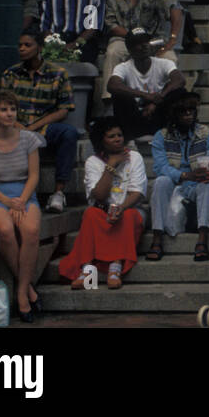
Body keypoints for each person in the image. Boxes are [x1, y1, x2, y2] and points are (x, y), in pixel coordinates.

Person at [0, 90, 45, 322]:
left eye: (13, 109)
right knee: (5, 231)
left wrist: (21, 201)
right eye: (4, 109)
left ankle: (21, 292)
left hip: (24, 193)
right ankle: (29, 291)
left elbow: (34, 176)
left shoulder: (28, 139)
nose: (9, 114)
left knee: (31, 231)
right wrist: (7, 202)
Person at [57, 116, 147, 290]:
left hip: (131, 209)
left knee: (128, 216)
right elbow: (99, 195)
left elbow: (137, 192)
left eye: (119, 135)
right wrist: (111, 166)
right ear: (101, 140)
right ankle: (87, 270)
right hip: (103, 210)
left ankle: (115, 267)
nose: (118, 139)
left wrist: (121, 208)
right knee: (90, 213)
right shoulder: (93, 162)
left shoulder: (134, 157)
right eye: (111, 136)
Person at [0, 30, 78, 213]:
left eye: (27, 45)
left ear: (39, 48)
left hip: (44, 127)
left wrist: (33, 127)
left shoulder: (58, 73)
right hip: (15, 125)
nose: (22, 49)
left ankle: (58, 193)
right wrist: (20, 127)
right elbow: (1, 105)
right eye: (20, 45)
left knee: (69, 133)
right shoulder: (11, 74)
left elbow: (64, 109)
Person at [144, 91, 209, 262]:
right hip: (174, 184)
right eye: (183, 111)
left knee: (208, 183)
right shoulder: (161, 136)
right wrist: (185, 175)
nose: (188, 114)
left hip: (196, 187)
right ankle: (157, 238)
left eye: (191, 110)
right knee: (160, 181)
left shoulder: (206, 134)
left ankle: (202, 239)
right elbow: (160, 167)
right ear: (174, 114)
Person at [107, 27, 186, 139]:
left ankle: (174, 133)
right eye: (139, 43)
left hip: (158, 114)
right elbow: (112, 85)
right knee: (119, 95)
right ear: (130, 49)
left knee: (179, 91)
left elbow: (180, 80)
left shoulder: (164, 63)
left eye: (146, 42)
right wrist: (145, 95)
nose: (144, 46)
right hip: (136, 118)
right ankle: (129, 139)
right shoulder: (123, 67)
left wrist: (156, 101)